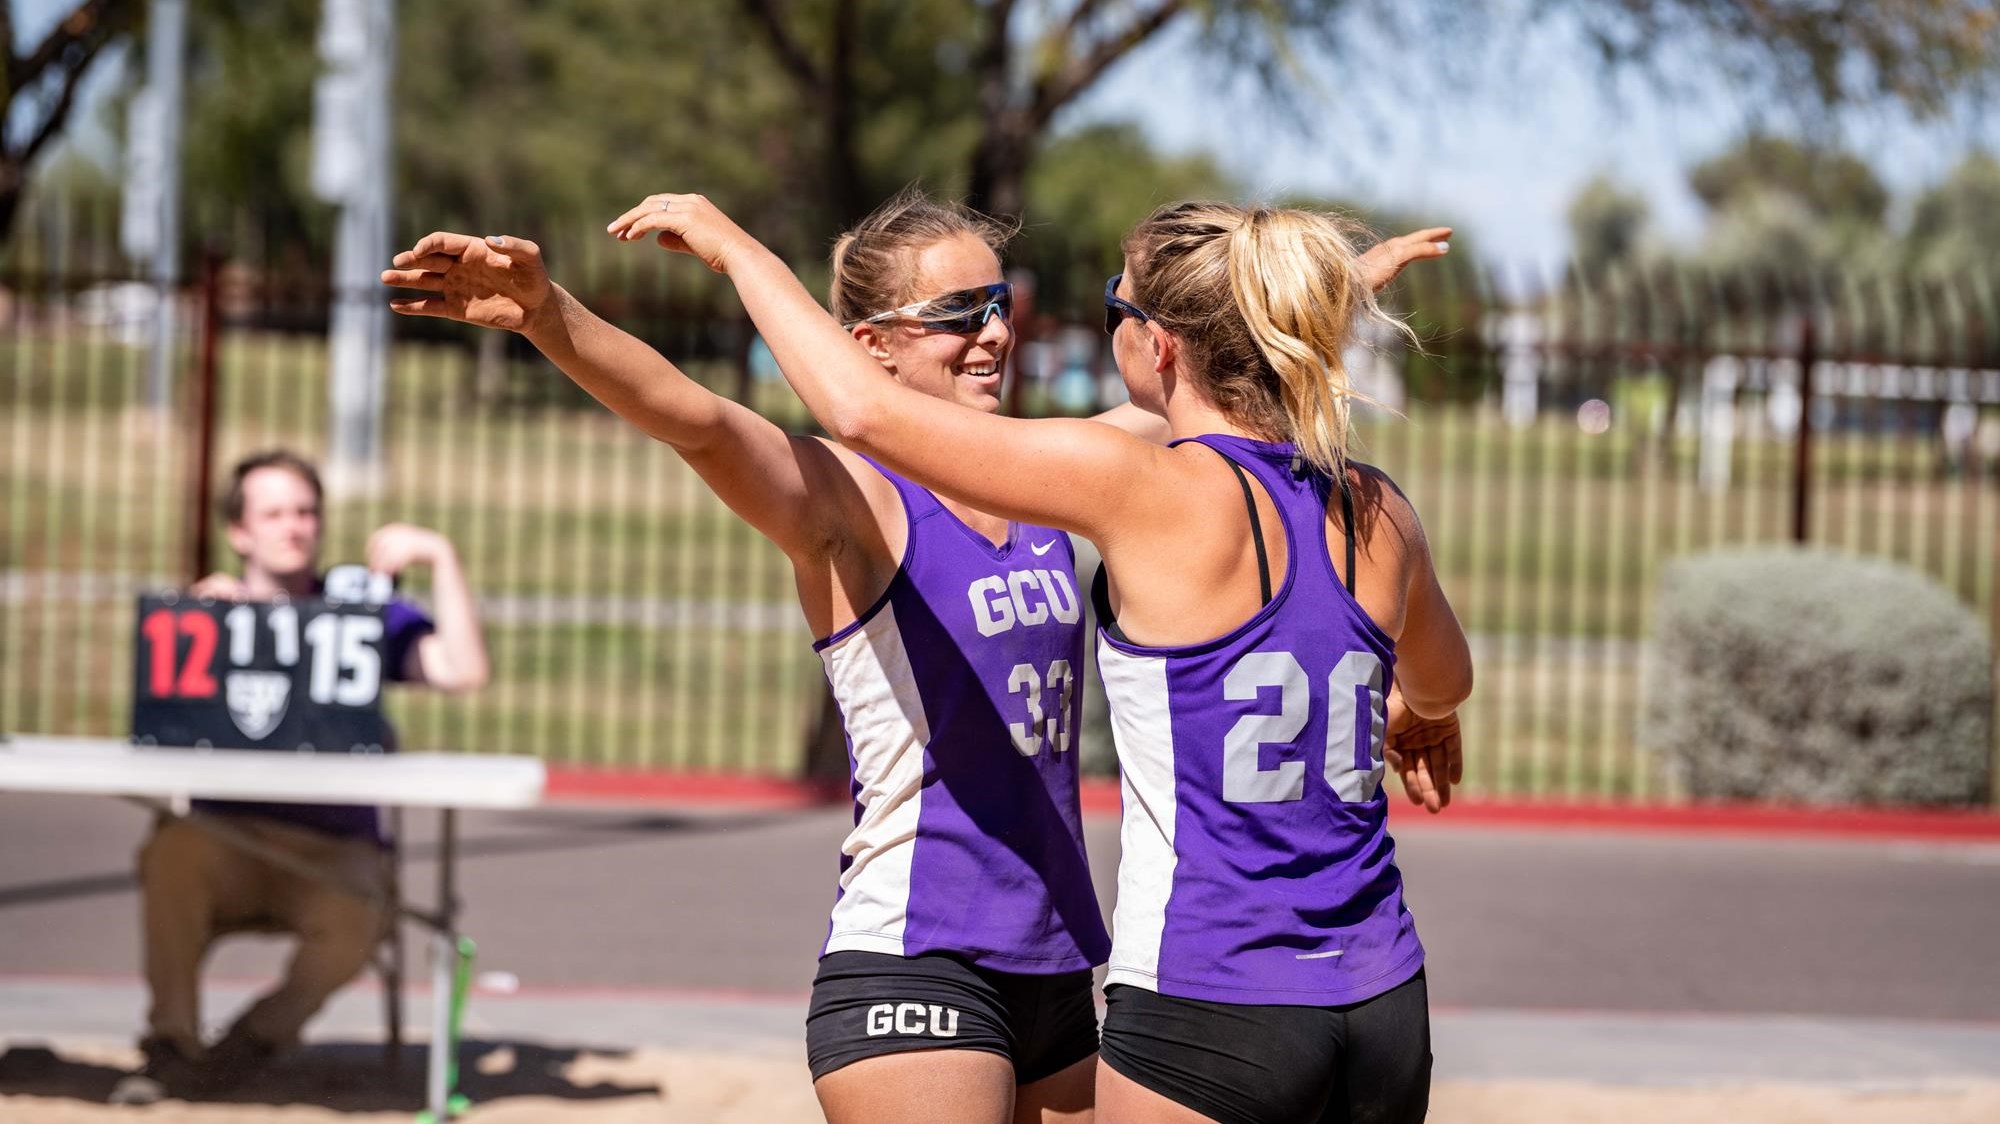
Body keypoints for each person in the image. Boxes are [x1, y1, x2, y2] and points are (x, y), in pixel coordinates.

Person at [380, 193, 1451, 1124]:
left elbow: (1207, 372)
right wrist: (549, 316)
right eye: (954, 316)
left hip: (1057, 958)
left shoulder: (1058, 475)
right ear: (868, 342)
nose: (989, 336)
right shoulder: (853, 496)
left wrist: (1328, 287)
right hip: (917, 955)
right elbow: (699, 422)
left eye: (1000, 307)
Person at [114, 449, 489, 1104]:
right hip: (226, 839)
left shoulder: (359, 614)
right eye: (274, 512)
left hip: (332, 848)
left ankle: (256, 1038)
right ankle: (170, 1043)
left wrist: (440, 557)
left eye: (306, 511)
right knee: (171, 852)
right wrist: (204, 626)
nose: (293, 526)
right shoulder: (208, 616)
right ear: (240, 532)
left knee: (364, 902)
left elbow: (462, 670)